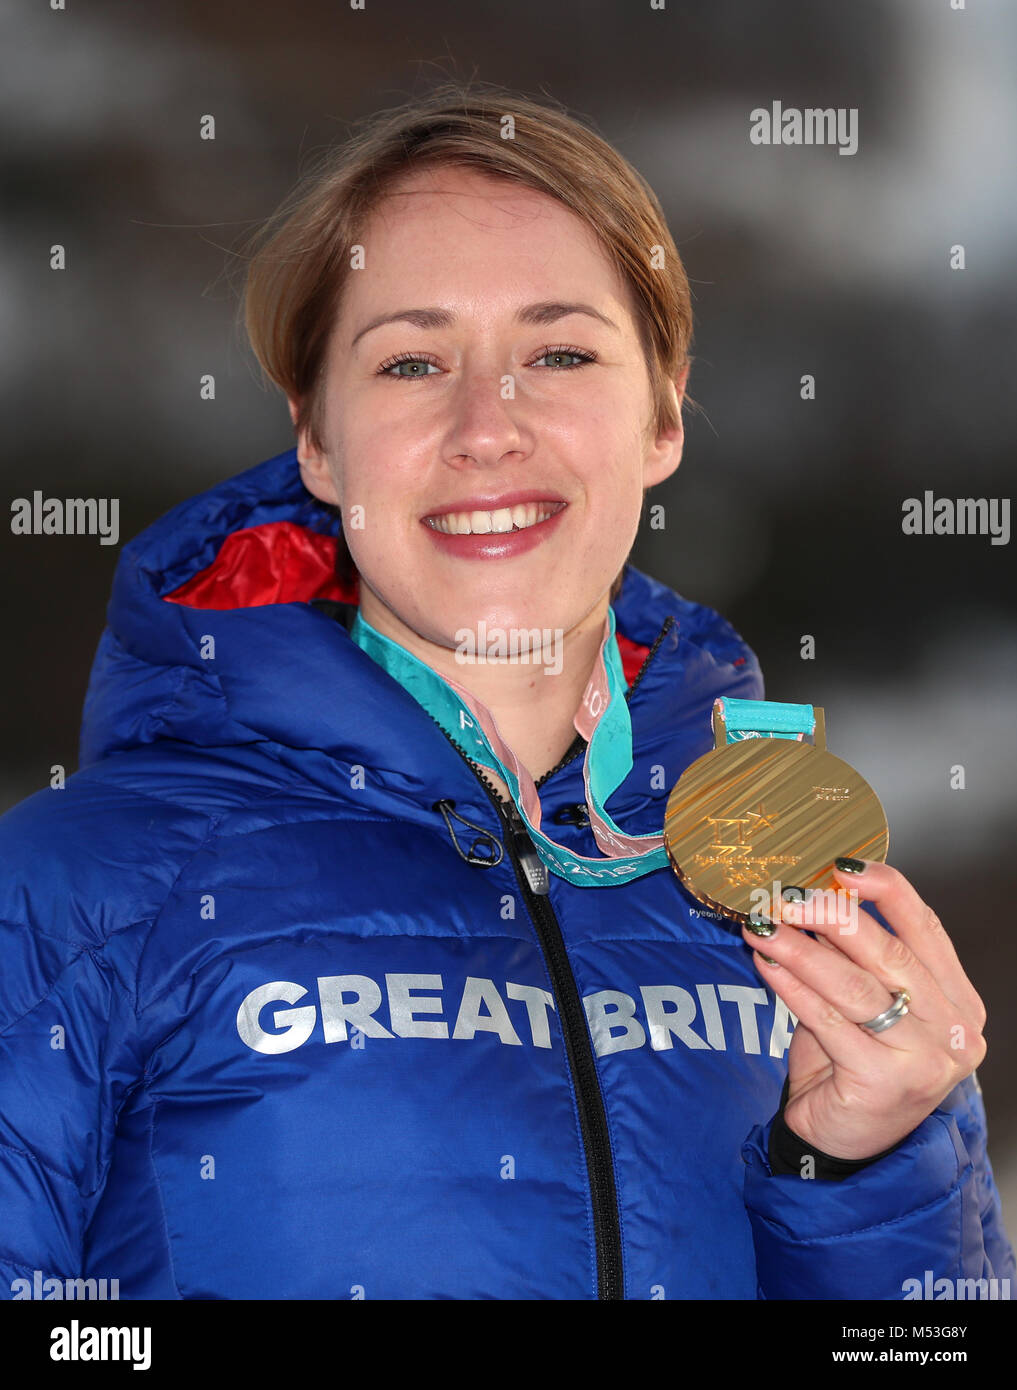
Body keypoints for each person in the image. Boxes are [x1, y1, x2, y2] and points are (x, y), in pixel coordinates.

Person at [1, 82, 1013, 1302]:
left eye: (561, 352)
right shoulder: (73, 892)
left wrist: (862, 1166)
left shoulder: (795, 898)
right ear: (315, 437)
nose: (488, 426)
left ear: (662, 414)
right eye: (413, 360)